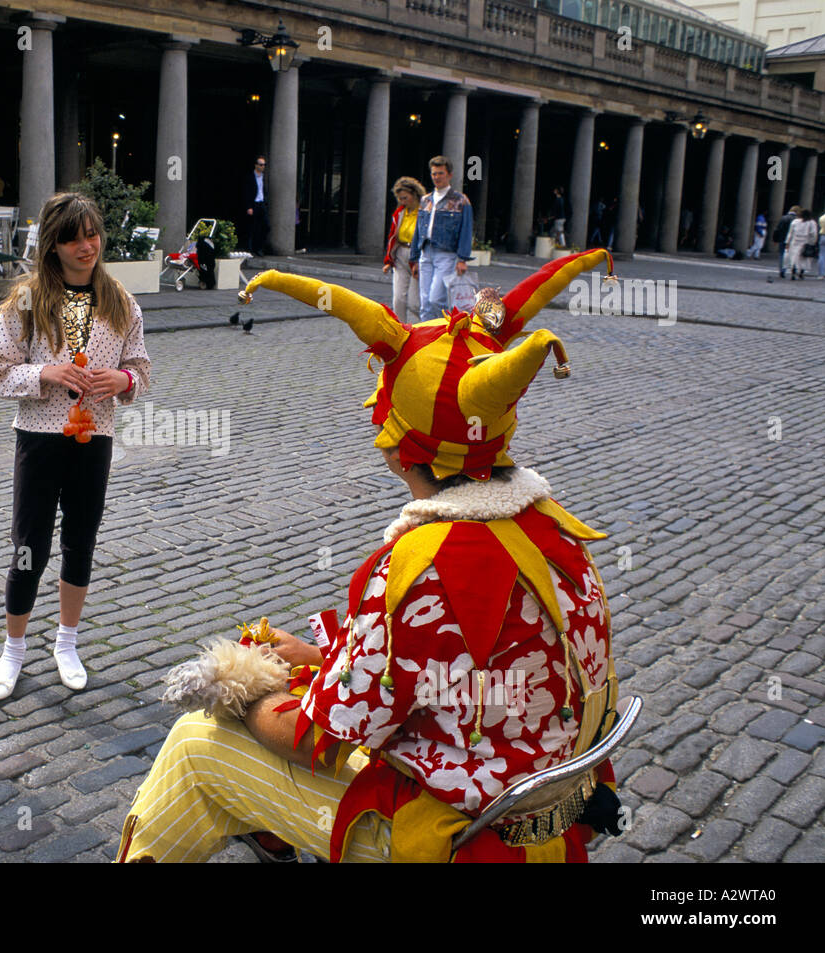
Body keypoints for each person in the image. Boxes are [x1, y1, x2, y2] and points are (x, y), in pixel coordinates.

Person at [118, 250, 621, 863]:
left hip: (454, 838)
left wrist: (240, 687)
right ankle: (268, 828)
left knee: (197, 743)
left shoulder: (416, 570)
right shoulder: (559, 534)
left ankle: (251, 823)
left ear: (396, 443)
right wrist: (325, 657)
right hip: (552, 821)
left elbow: (318, 738)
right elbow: (445, 674)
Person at [0, 192, 151, 700]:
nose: (87, 245)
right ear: (53, 245)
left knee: (81, 541)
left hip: (93, 439)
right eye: (73, 237)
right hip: (38, 439)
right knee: (30, 545)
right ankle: (13, 651)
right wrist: (46, 372)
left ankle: (67, 642)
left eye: (92, 234)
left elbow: (141, 369)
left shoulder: (119, 299)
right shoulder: (29, 299)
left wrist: (122, 380)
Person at [409, 155, 473, 320]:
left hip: (446, 254)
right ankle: (427, 338)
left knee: (436, 299)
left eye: (440, 173)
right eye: (434, 173)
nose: (436, 177)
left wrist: (462, 258)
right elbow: (418, 230)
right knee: (424, 302)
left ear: (449, 175)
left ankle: (443, 330)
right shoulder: (425, 200)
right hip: (425, 252)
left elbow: (466, 230)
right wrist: (414, 258)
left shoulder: (460, 201)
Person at [381, 175, 425, 323]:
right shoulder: (400, 212)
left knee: (414, 304)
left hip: (418, 256)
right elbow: (393, 236)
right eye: (400, 198)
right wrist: (388, 260)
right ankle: (400, 332)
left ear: (414, 194)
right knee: (398, 299)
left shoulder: (425, 211)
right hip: (401, 254)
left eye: (405, 198)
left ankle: (429, 326)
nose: (402, 201)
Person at [243, 156, 268, 256]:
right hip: (253, 204)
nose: (263, 167)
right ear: (256, 165)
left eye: (264, 165)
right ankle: (250, 249)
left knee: (265, 227)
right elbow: (246, 192)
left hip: (261, 203)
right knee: (252, 227)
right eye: (261, 164)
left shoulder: (263, 177)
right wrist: (248, 206)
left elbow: (264, 190)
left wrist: (266, 202)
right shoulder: (250, 177)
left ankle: (259, 248)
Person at [786, 206, 818, 281]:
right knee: (804, 258)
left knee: (794, 257)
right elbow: (814, 234)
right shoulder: (811, 222)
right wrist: (813, 242)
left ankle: (793, 272)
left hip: (795, 241)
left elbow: (790, 233)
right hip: (805, 242)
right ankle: (801, 273)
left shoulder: (795, 222)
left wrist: (787, 242)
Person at [772, 206, 798, 278]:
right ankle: (793, 270)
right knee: (793, 255)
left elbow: (777, 229)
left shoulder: (783, 218)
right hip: (793, 240)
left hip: (782, 239)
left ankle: (782, 270)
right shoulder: (797, 220)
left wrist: (775, 239)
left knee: (782, 255)